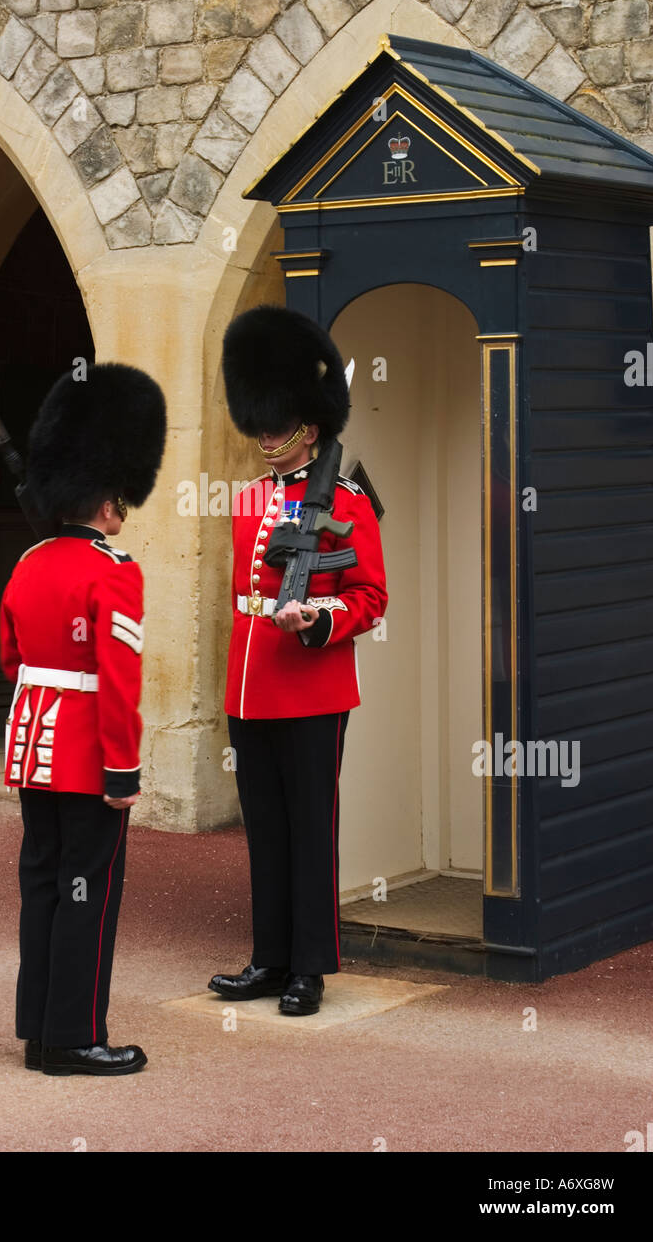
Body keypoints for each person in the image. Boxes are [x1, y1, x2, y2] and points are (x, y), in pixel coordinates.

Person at [210, 305, 388, 1015]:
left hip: (312, 685)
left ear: (308, 428)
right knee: (265, 828)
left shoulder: (347, 500)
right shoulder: (249, 499)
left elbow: (371, 596)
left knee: (310, 828)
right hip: (250, 685)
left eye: (276, 426)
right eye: (259, 423)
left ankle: (310, 967)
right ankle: (269, 957)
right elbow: (242, 596)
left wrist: (320, 618)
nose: (264, 436)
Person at [0, 363, 166, 1074]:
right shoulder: (114, 570)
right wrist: (122, 767)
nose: (121, 512)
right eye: (119, 501)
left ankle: (41, 1030)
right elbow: (118, 683)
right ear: (105, 503)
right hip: (86, 756)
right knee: (87, 892)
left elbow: (11, 660)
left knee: (44, 884)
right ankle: (75, 1037)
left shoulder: (29, 561)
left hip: (33, 751)